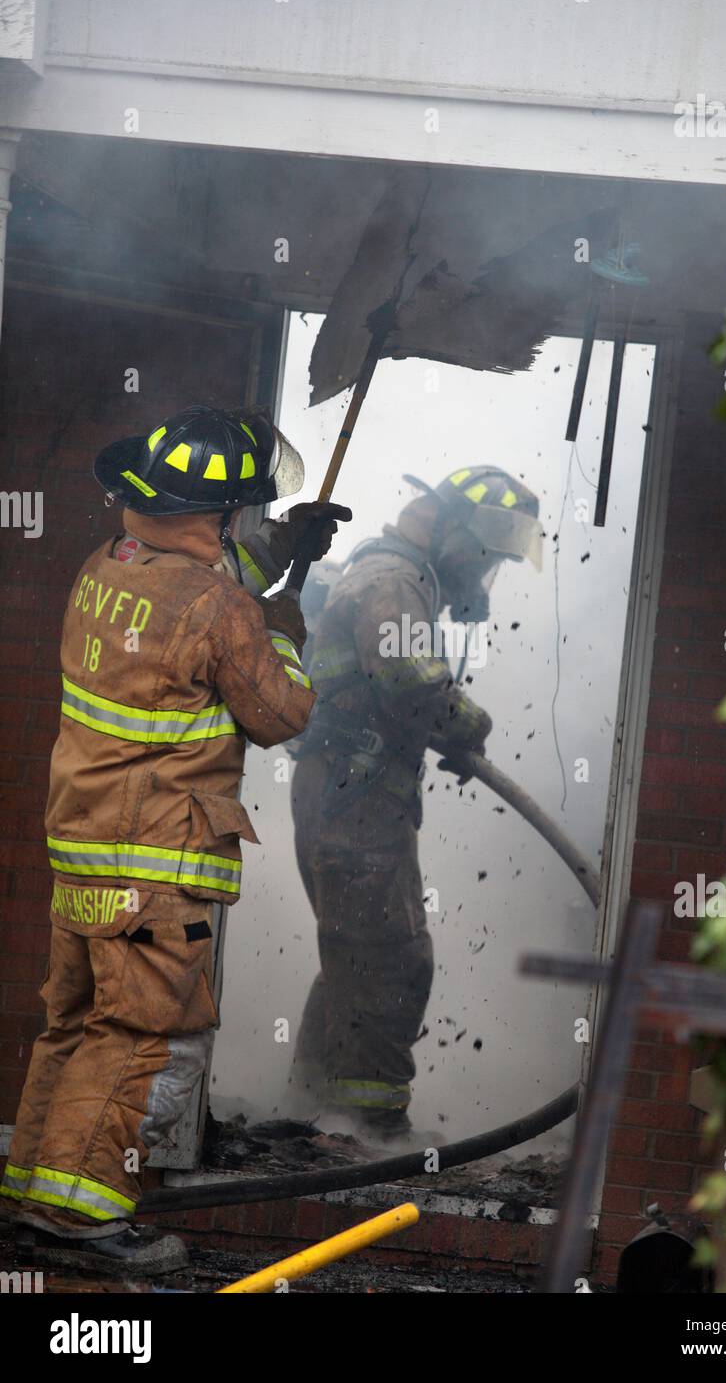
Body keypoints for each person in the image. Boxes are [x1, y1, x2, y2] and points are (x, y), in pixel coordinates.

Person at [1, 405, 349, 1273]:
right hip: (156, 865)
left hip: (83, 852)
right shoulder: (226, 609)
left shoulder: (108, 565)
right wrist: (285, 633)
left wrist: (281, 546)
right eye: (249, 516)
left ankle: (36, 1195)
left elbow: (194, 585)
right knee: (135, 1034)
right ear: (222, 517)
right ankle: (82, 1219)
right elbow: (279, 713)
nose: (251, 528)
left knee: (73, 1025)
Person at [288, 466, 543, 1143]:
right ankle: (369, 1126)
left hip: (348, 795)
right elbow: (407, 677)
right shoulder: (393, 581)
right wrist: (465, 723)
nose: (483, 572)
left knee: (353, 959)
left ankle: (310, 1108)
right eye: (486, 553)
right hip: (357, 802)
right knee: (394, 963)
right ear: (453, 528)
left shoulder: (398, 575)